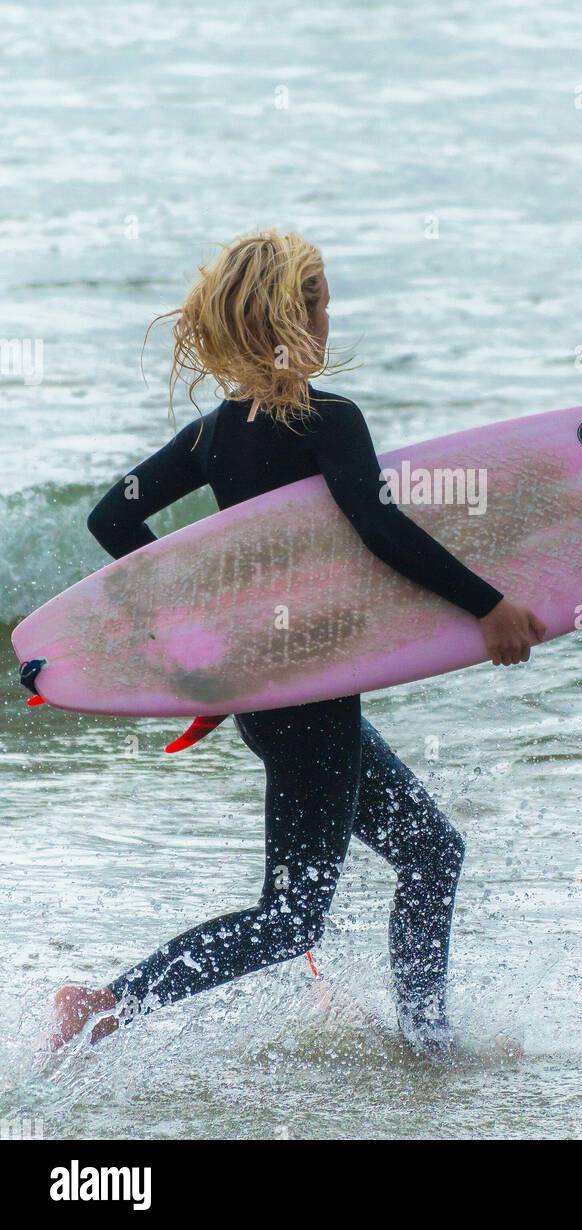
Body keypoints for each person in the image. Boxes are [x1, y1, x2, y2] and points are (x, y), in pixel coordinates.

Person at [52, 229, 546, 1053]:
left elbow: (112, 516)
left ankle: (426, 1039)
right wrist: (486, 606)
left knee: (431, 851)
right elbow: (378, 524)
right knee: (289, 920)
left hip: (270, 689)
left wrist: (206, 622)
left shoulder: (214, 434)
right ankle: (106, 1004)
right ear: (288, 309)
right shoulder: (327, 419)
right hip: (308, 690)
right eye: (318, 298)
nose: (328, 313)